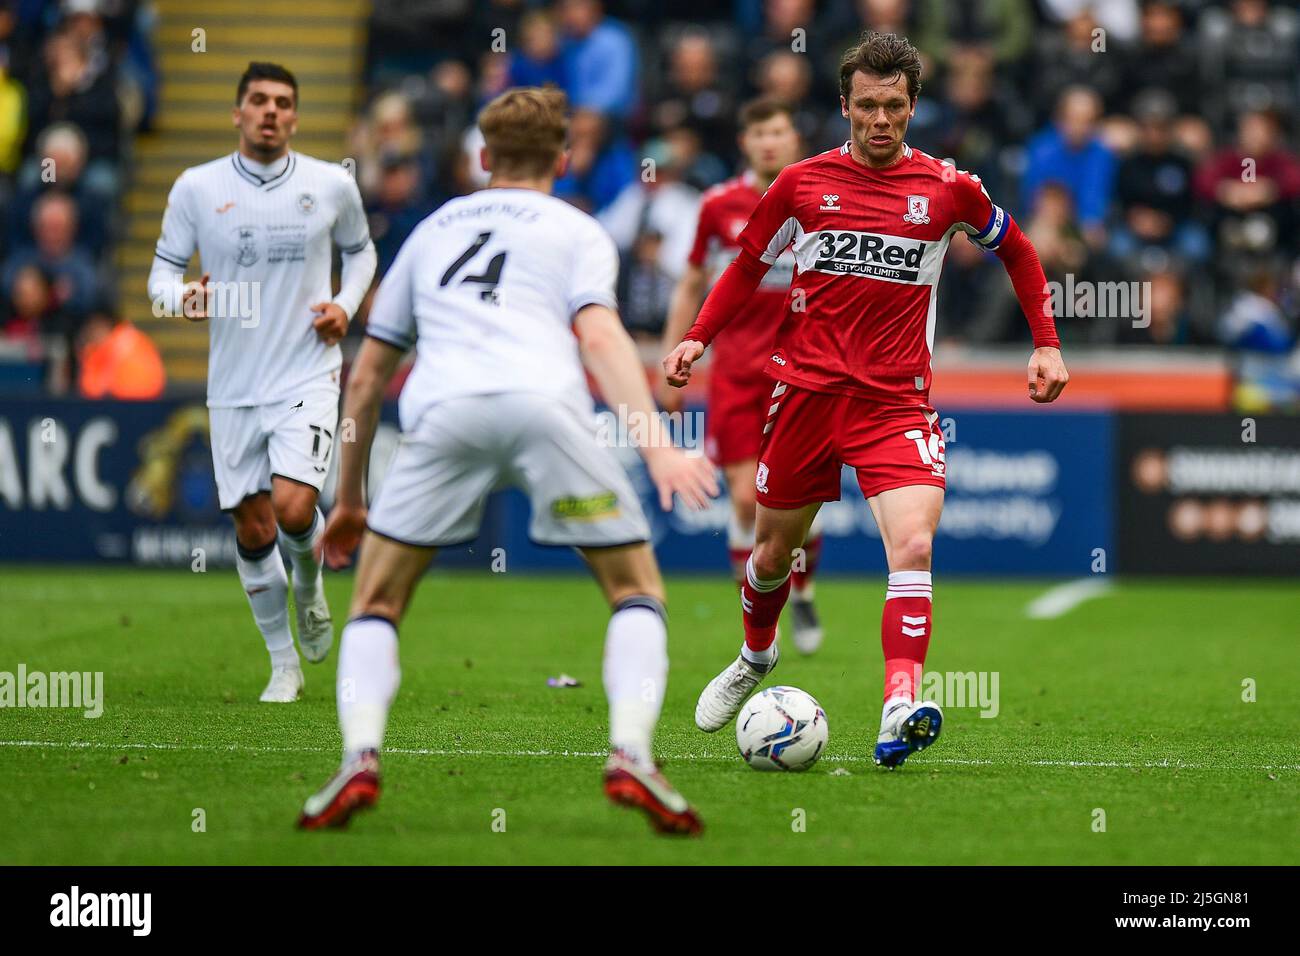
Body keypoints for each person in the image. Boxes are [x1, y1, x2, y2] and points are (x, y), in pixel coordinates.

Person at [299, 86, 718, 835]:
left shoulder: (429, 232)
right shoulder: (578, 229)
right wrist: (657, 449)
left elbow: (366, 377)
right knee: (635, 591)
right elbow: (599, 338)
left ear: (483, 158)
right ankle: (632, 753)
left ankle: (358, 759)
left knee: (376, 605)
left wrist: (350, 499)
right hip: (546, 408)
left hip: (445, 414)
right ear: (563, 158)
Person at [663, 31, 1068, 768]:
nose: (881, 120)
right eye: (868, 106)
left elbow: (1017, 248)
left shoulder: (950, 188)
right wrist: (697, 337)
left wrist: (1046, 341)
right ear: (844, 105)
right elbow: (745, 266)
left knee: (912, 545)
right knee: (771, 553)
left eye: (895, 107)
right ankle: (756, 657)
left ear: (913, 107)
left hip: (895, 404)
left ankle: (898, 705)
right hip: (805, 395)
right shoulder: (800, 185)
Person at [146, 62, 377, 702]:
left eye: (282, 102)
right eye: (258, 100)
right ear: (237, 113)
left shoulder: (331, 185)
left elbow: (362, 251)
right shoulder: (197, 187)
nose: (270, 111)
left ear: (296, 117)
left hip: (307, 369)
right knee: (252, 528)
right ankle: (283, 665)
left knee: (294, 507)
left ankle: (307, 586)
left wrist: (346, 305)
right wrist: (179, 298)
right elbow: (159, 277)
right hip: (233, 386)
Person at [659, 97, 827, 654]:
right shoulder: (718, 206)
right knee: (745, 500)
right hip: (736, 374)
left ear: (793, 140)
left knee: (800, 501)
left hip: (806, 373)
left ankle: (799, 592)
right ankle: (759, 627)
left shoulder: (822, 198)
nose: (769, 142)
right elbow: (690, 282)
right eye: (759, 133)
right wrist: (677, 348)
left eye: (778, 131)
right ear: (745, 142)